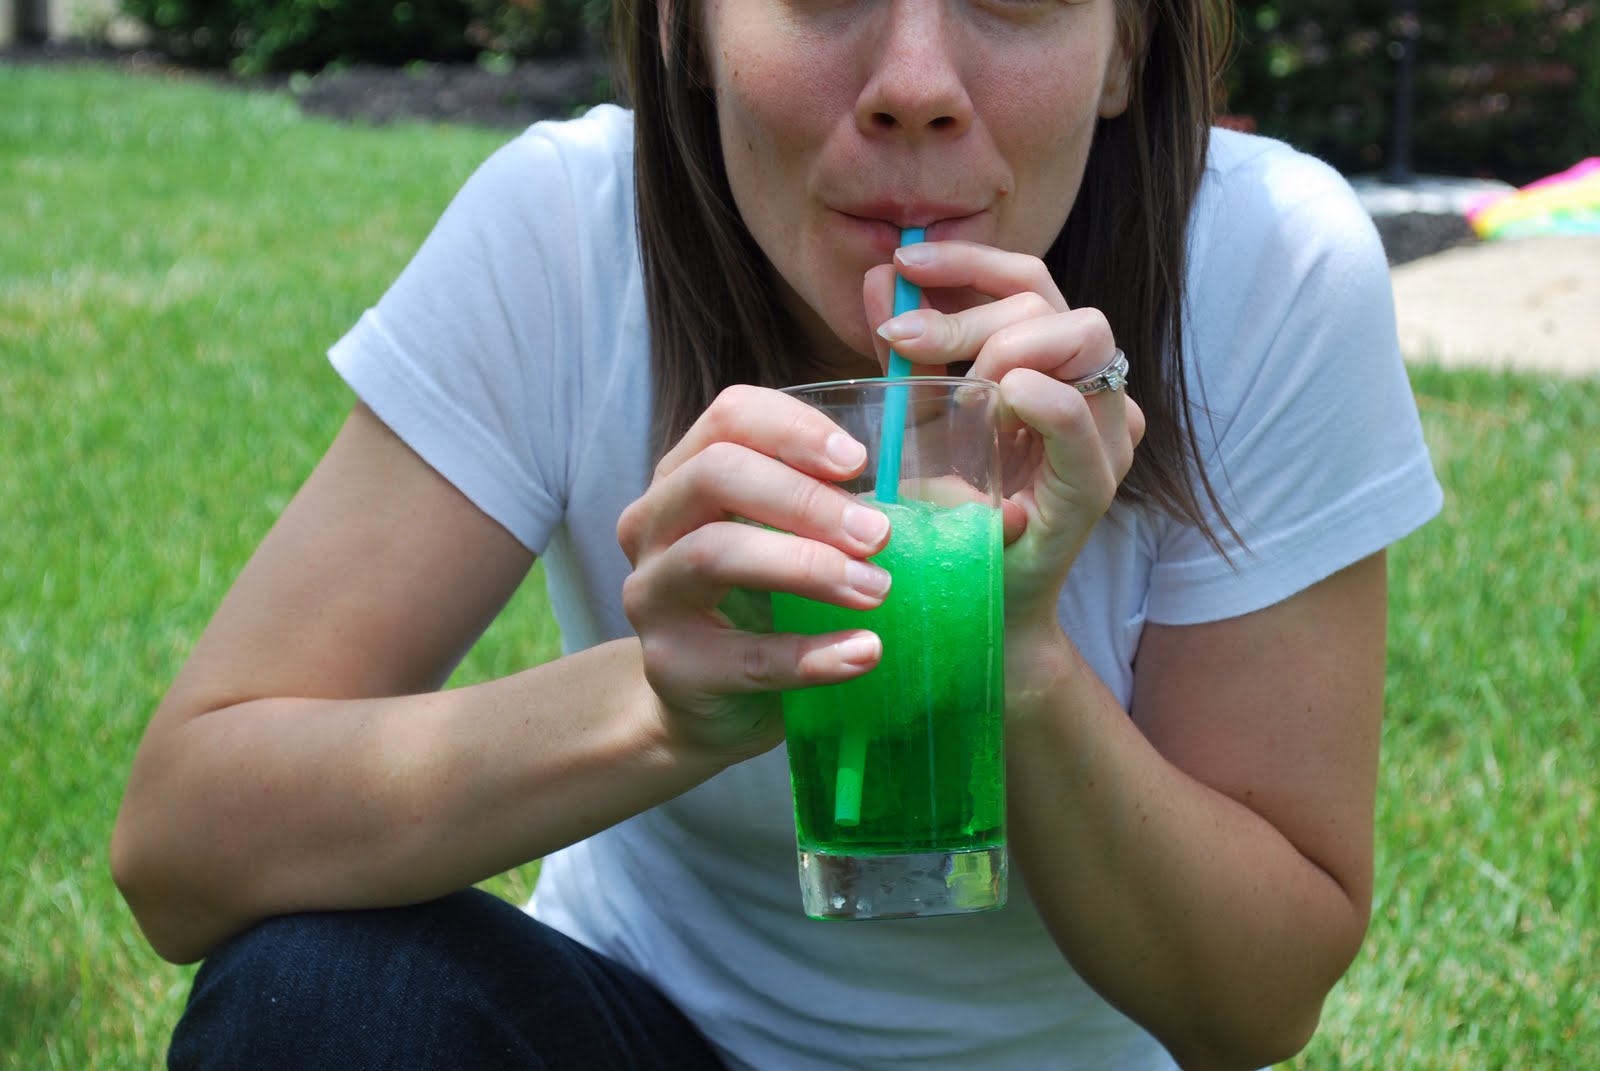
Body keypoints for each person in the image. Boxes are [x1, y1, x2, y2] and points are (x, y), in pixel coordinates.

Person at [111, 0, 1443, 1067]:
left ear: (1126, 44)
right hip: (642, 1029)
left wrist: (1017, 649)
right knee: (327, 1001)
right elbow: (184, 846)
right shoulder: (565, 238)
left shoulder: (1265, 267)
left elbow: (1257, 1009)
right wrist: (664, 705)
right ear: (687, 26)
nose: (914, 78)